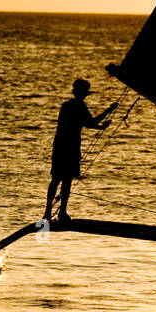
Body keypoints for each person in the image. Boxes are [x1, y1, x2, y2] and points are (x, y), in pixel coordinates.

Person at [44, 79, 114, 222]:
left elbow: (85, 123)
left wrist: (101, 127)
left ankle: (47, 212)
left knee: (56, 179)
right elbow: (90, 122)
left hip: (59, 146)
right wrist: (109, 110)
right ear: (82, 94)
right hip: (70, 147)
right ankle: (62, 212)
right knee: (66, 180)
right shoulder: (80, 107)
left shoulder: (66, 106)